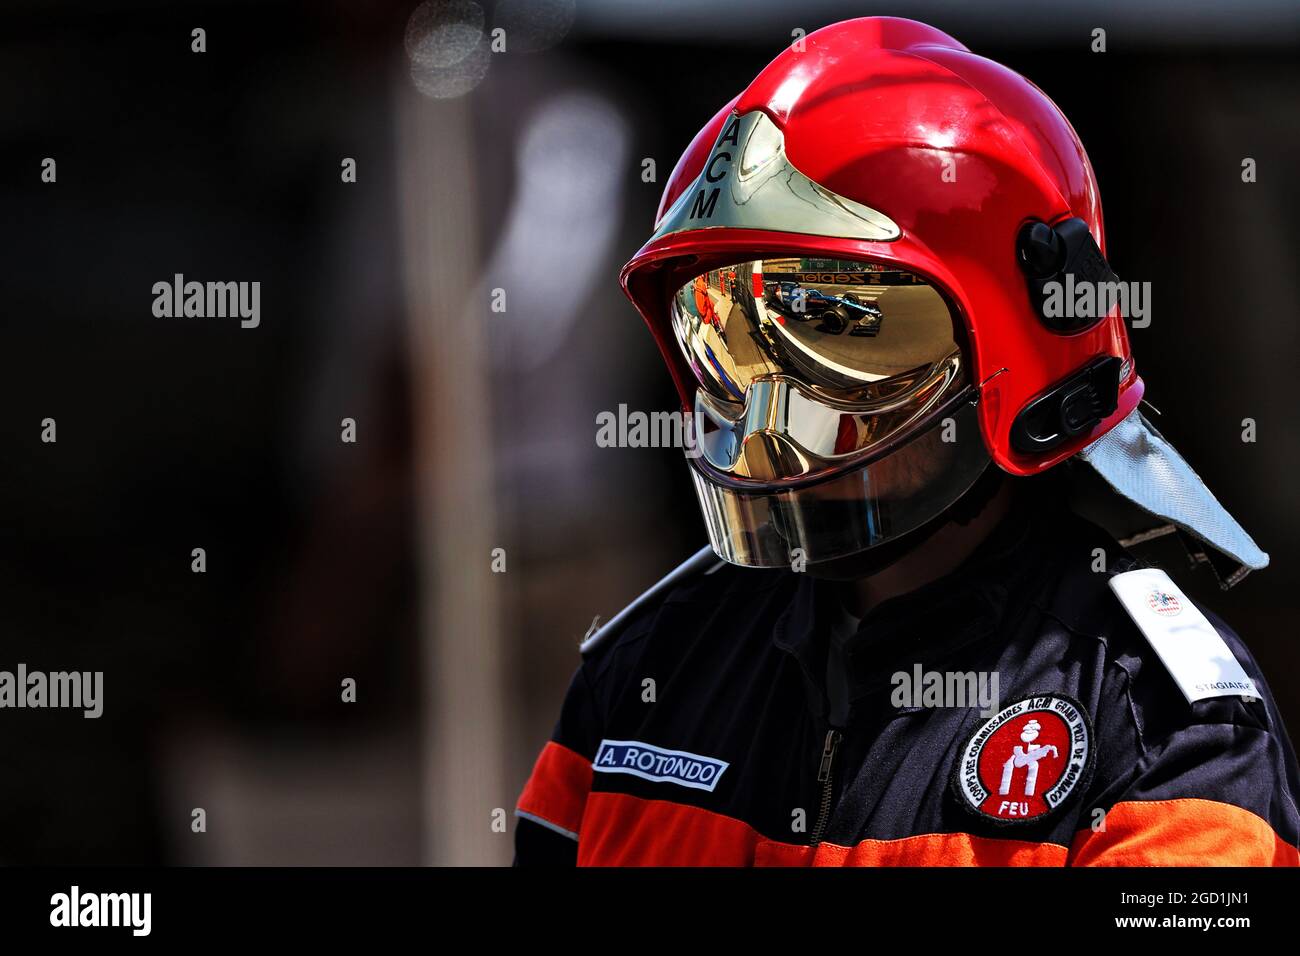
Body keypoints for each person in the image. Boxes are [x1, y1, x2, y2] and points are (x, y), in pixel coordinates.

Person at [514, 17, 1300, 866]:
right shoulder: (647, 665)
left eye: (839, 323)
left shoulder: (1160, 721)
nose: (775, 410)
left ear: (1015, 344)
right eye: (727, 332)